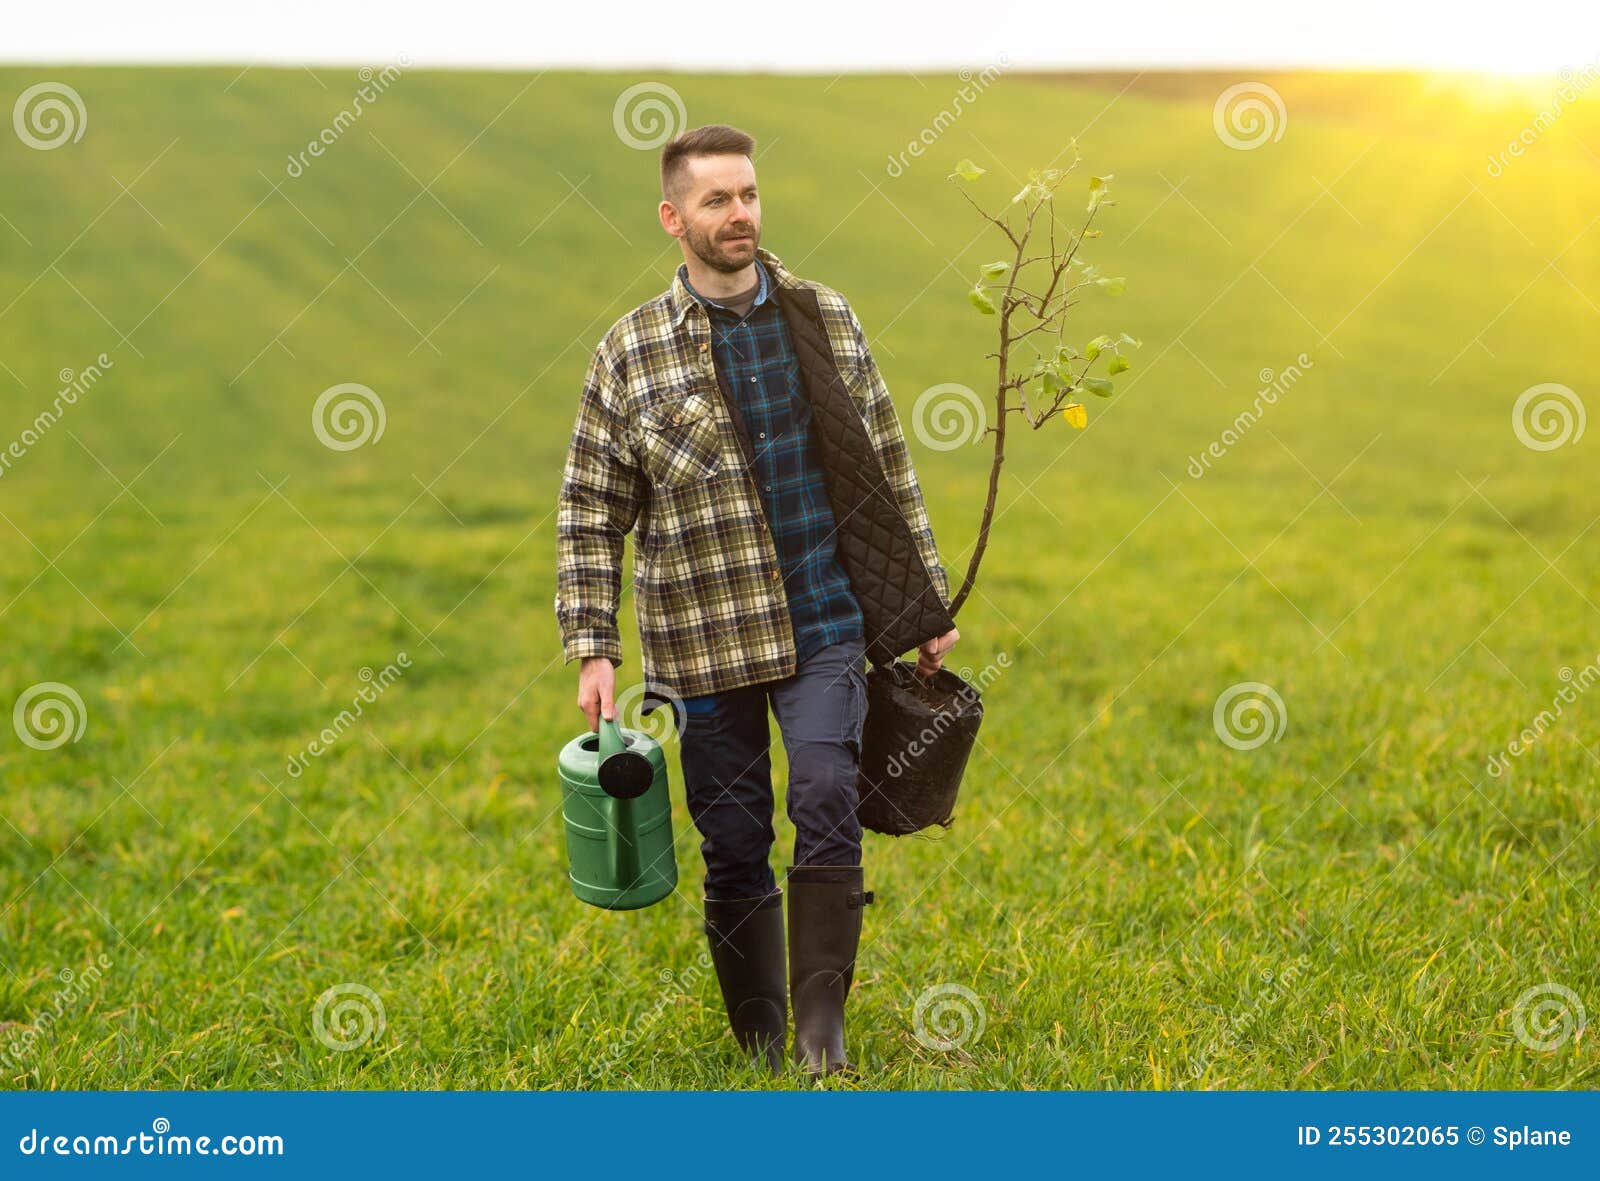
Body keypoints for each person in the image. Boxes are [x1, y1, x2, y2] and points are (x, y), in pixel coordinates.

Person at [555, 123, 958, 1077]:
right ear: (673, 218)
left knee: (823, 789)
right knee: (732, 836)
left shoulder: (823, 316)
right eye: (715, 201)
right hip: (700, 639)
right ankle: (761, 1033)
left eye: (747, 196)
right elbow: (588, 506)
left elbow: (886, 464)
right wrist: (594, 645)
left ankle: (823, 1031)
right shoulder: (631, 353)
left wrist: (922, 605)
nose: (739, 215)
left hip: (824, 618)